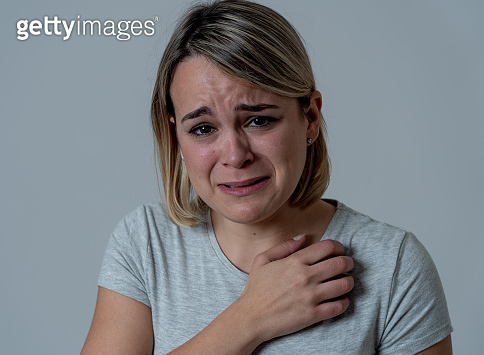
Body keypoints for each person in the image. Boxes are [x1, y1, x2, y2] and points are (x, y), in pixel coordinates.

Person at [81, 1, 453, 353]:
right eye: (203, 128)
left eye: (259, 120)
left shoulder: (395, 265)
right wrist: (249, 319)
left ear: (310, 117)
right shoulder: (145, 244)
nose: (235, 155)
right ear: (174, 135)